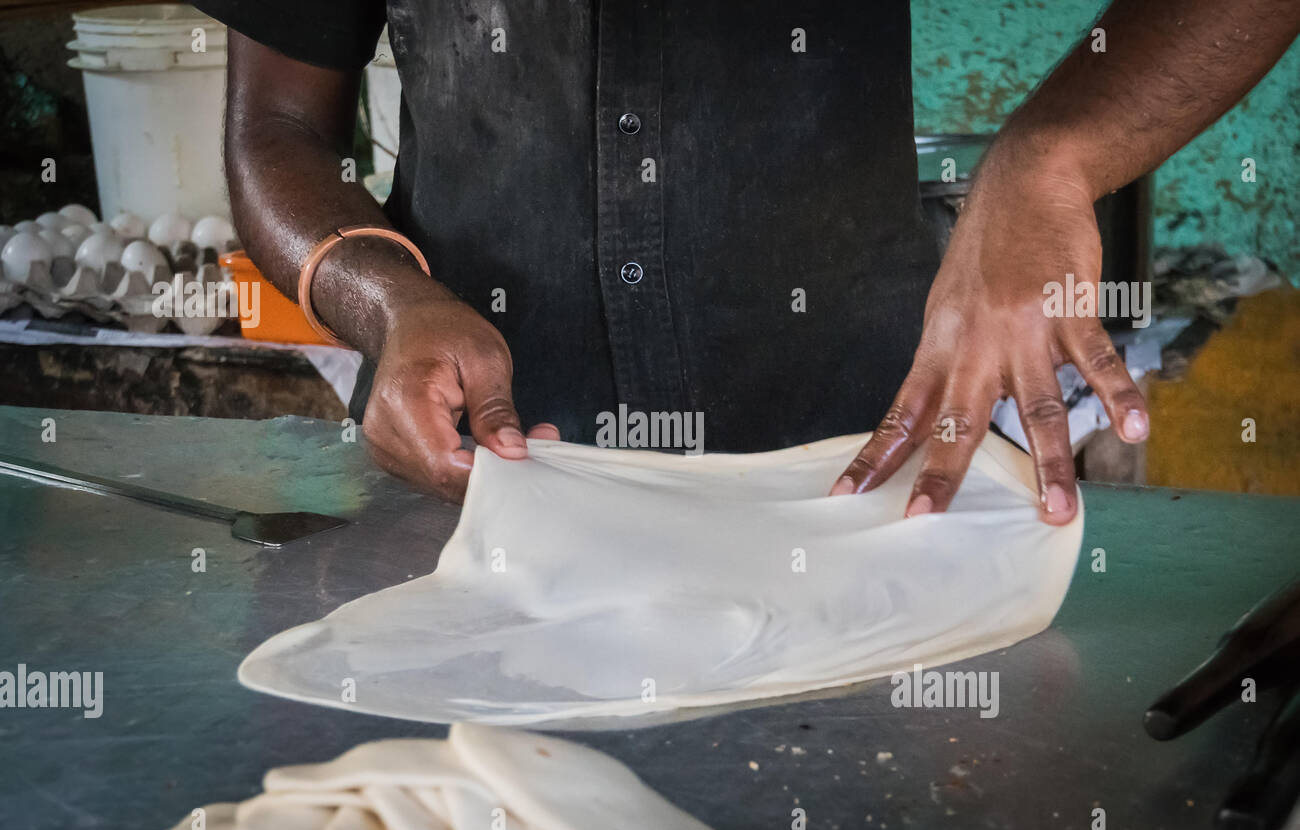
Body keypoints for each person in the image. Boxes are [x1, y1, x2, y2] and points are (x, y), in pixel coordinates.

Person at [196, 0, 1299, 518]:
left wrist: (1051, 158)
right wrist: (390, 305)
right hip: (487, 484)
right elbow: (278, 129)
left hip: (855, 483)